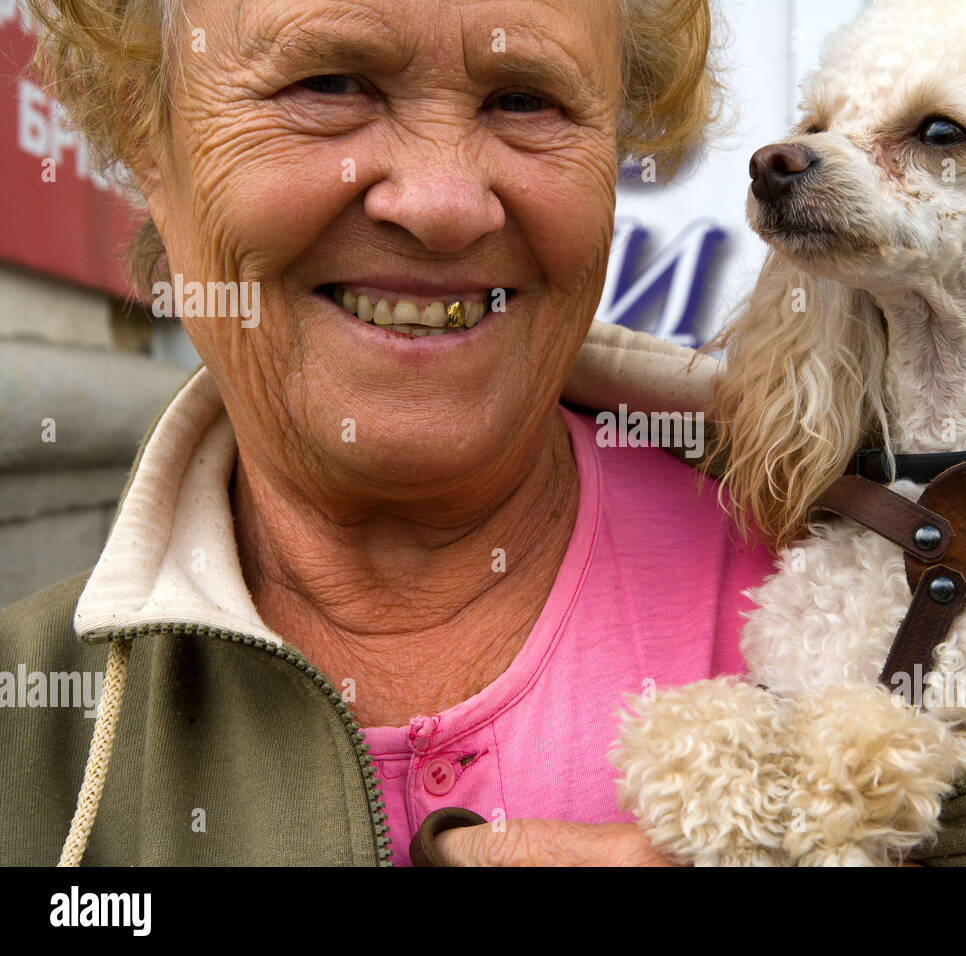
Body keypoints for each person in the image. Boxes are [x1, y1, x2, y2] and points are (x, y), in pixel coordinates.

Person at [1, 0, 775, 866]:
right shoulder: (27, 731)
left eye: (525, 101)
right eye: (329, 84)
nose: (443, 203)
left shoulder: (892, 601)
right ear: (147, 134)